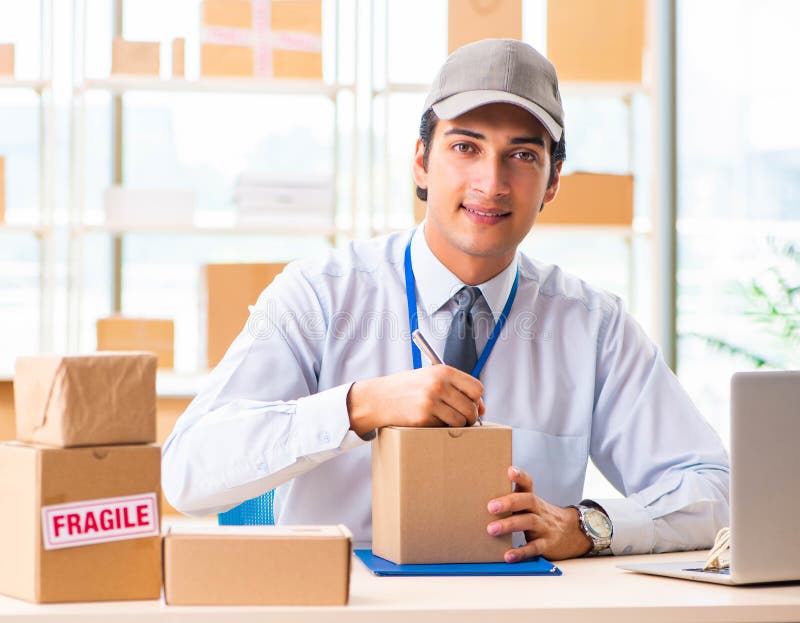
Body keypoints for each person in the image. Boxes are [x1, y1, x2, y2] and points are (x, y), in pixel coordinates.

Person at [162, 39, 729, 561]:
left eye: (522, 156)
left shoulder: (592, 324)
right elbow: (188, 472)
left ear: (553, 182)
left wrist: (589, 525)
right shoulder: (319, 294)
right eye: (465, 147)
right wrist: (356, 408)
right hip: (348, 604)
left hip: (519, 609)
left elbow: (717, 490)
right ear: (421, 162)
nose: (491, 183)